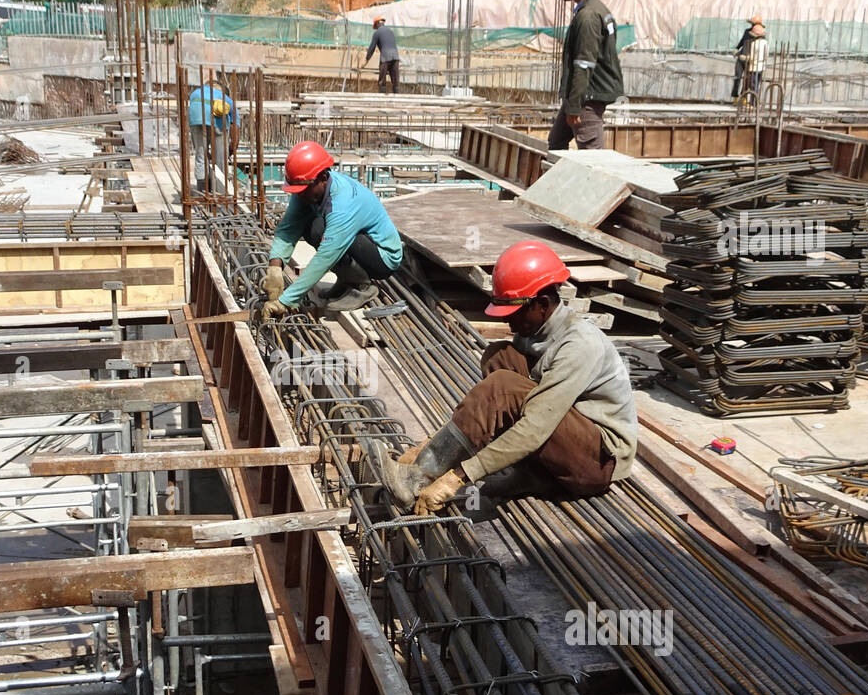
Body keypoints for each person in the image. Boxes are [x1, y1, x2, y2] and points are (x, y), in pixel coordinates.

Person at [373, 240, 637, 515]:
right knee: (499, 356)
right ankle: (529, 473)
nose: (507, 322)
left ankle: (417, 479)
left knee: (502, 387)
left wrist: (459, 476)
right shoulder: (538, 331)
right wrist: (436, 442)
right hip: (569, 438)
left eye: (513, 313)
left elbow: (535, 425)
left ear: (542, 304)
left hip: (597, 462)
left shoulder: (580, 345)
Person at [261, 140, 404, 316]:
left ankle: (362, 287)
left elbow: (327, 255)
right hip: (360, 244)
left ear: (322, 178)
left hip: (382, 257)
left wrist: (286, 300)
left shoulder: (343, 202)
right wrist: (275, 266)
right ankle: (347, 280)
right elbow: (288, 228)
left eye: (304, 189)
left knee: (319, 231)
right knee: (312, 227)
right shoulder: (308, 189)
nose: (300, 194)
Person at [548, 0, 625, 151]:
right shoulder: (594, 9)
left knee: (592, 156)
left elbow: (584, 63)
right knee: (556, 142)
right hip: (583, 93)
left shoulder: (589, 15)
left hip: (587, 96)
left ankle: (599, 182)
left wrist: (575, 105)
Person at [187, 79, 239, 194]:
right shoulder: (225, 98)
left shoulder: (195, 93)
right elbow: (235, 127)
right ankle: (220, 191)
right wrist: (232, 148)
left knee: (201, 156)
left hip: (195, 122)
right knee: (221, 159)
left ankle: (202, 189)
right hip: (217, 125)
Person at [364, 17, 400, 94]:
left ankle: (382, 98)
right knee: (395, 80)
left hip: (385, 57)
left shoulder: (377, 33)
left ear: (377, 24)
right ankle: (397, 98)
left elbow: (372, 48)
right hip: (396, 56)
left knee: (382, 80)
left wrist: (366, 60)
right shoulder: (390, 31)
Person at [731, 15, 760, 103]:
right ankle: (735, 97)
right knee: (737, 77)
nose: (752, 25)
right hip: (741, 57)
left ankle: (743, 97)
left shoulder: (759, 36)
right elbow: (742, 41)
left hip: (750, 59)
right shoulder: (747, 32)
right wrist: (737, 48)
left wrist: (750, 58)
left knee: (747, 80)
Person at [745, 21, 768, 103]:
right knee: (757, 84)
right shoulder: (765, 43)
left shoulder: (754, 44)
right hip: (762, 66)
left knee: (753, 85)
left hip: (754, 67)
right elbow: (766, 55)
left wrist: (745, 58)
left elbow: (752, 57)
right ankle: (755, 101)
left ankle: (754, 102)